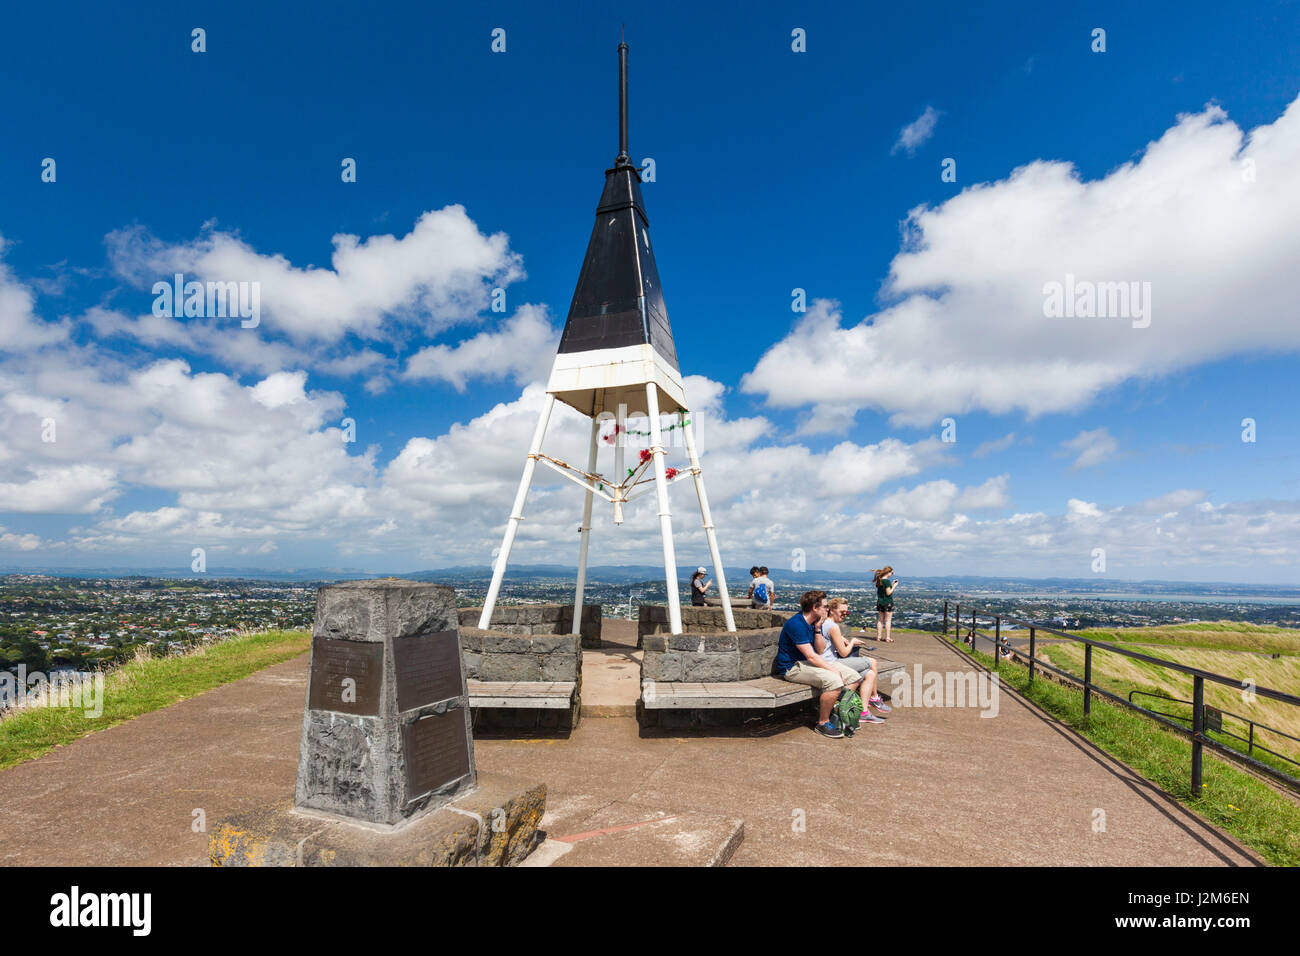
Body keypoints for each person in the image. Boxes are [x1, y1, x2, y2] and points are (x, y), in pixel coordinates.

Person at [773, 590, 866, 738]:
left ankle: (837, 711)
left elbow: (820, 649)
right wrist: (834, 671)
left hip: (808, 663)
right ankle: (823, 722)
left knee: (853, 677)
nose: (827, 609)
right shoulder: (796, 624)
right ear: (815, 608)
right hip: (793, 667)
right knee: (834, 680)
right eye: (824, 606)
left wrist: (817, 630)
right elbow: (811, 656)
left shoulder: (814, 623)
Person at [818, 597, 891, 717]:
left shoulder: (825, 623)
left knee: (870, 674)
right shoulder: (833, 626)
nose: (845, 615)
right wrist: (853, 642)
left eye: (847, 612)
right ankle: (874, 698)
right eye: (842, 612)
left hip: (828, 661)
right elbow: (844, 653)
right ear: (831, 610)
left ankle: (863, 711)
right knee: (872, 662)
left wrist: (840, 639)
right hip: (830, 663)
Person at [873, 566, 898, 643]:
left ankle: (878, 637)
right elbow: (888, 593)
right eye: (892, 573)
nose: (892, 574)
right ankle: (887, 638)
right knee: (887, 621)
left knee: (880, 620)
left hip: (880, 602)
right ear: (888, 572)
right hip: (887, 602)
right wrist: (894, 586)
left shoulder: (879, 581)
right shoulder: (886, 581)